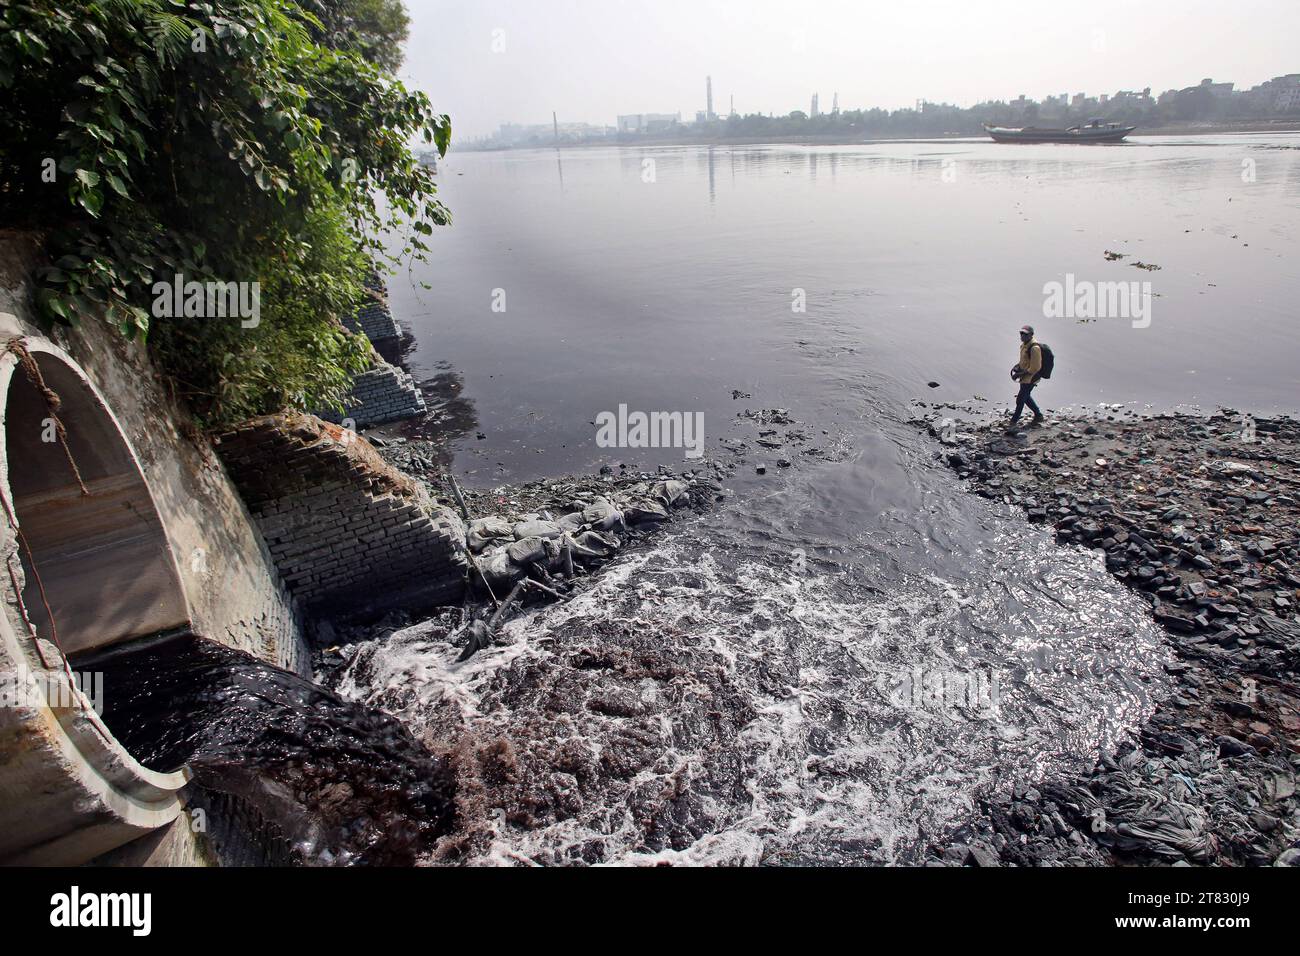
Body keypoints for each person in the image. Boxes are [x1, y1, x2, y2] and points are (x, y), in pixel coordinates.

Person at [1008, 324, 1045, 429]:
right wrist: (1017, 367)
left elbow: (1035, 368)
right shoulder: (1024, 345)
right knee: (1026, 397)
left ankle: (1013, 422)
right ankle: (1038, 415)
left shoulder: (1034, 348)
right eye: (1021, 333)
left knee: (1020, 399)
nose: (1022, 336)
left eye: (1025, 334)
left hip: (1031, 378)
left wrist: (1019, 374)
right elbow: (1024, 361)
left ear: (1031, 335)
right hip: (1025, 377)